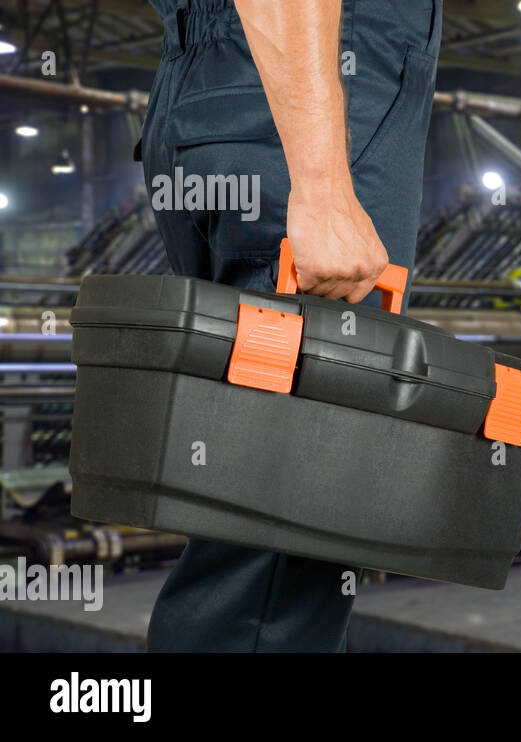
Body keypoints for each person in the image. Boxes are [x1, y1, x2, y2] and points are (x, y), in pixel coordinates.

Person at [138, 0, 442, 651]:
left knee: (247, 512)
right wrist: (322, 181)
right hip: (316, 78)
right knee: (287, 526)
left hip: (221, 83)